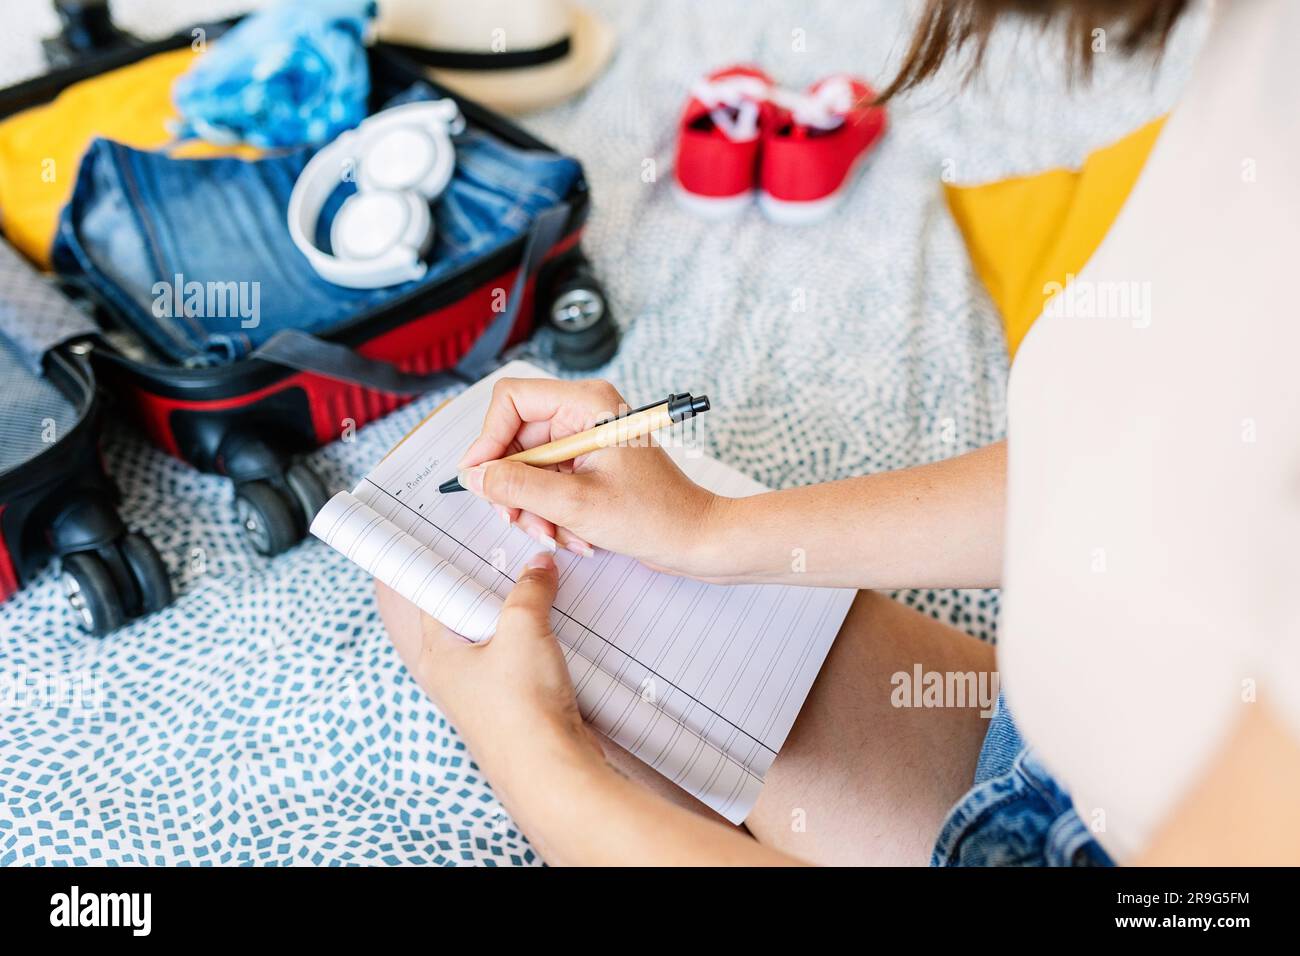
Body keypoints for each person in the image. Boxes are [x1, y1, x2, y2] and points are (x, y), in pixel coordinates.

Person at [375, 0, 1300, 866]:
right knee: (599, 637)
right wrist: (710, 531)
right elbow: (1154, 460)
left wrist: (547, 782)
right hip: (1063, 741)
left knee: (583, 707)